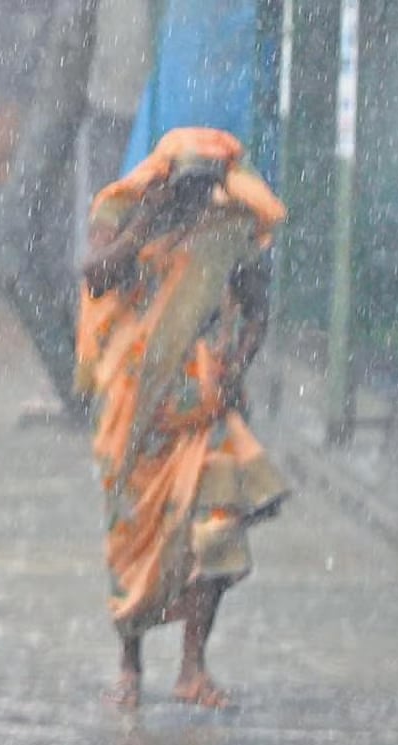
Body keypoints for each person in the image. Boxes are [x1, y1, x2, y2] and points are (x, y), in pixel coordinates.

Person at [75, 127, 290, 709]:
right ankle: (130, 666)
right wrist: (147, 222)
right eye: (187, 185)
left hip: (203, 406)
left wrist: (236, 362)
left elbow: (256, 307)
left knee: (216, 526)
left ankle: (193, 667)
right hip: (133, 406)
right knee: (133, 537)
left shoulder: (228, 227)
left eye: (207, 186)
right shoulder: (121, 207)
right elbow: (95, 275)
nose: (197, 197)